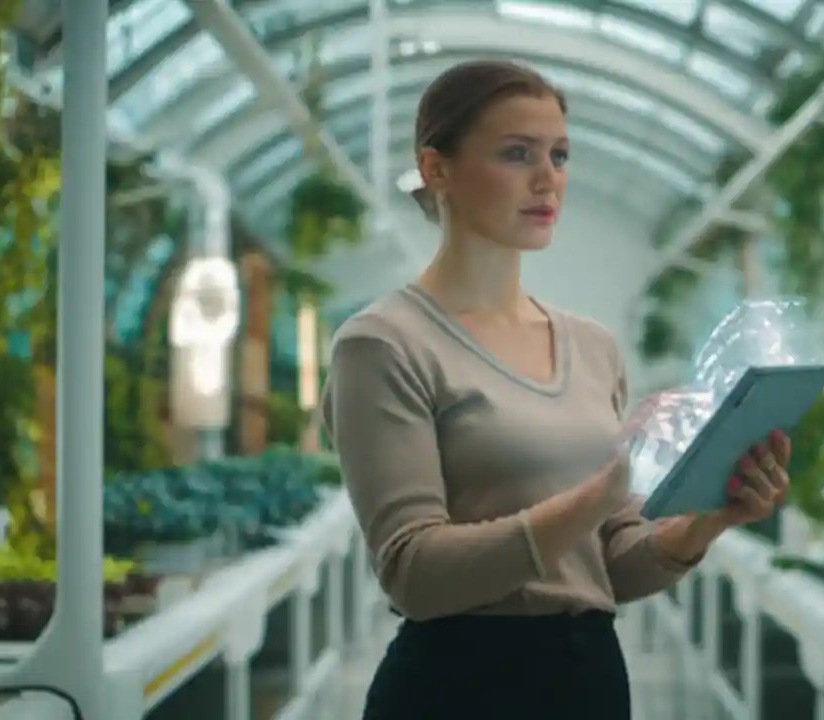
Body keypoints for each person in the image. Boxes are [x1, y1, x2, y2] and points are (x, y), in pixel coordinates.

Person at [320, 59, 792, 720]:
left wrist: (708, 522)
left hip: (589, 681)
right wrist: (602, 490)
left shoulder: (592, 347)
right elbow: (414, 573)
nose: (549, 181)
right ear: (437, 169)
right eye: (517, 154)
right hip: (457, 690)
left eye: (560, 156)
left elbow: (610, 567)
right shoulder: (383, 343)